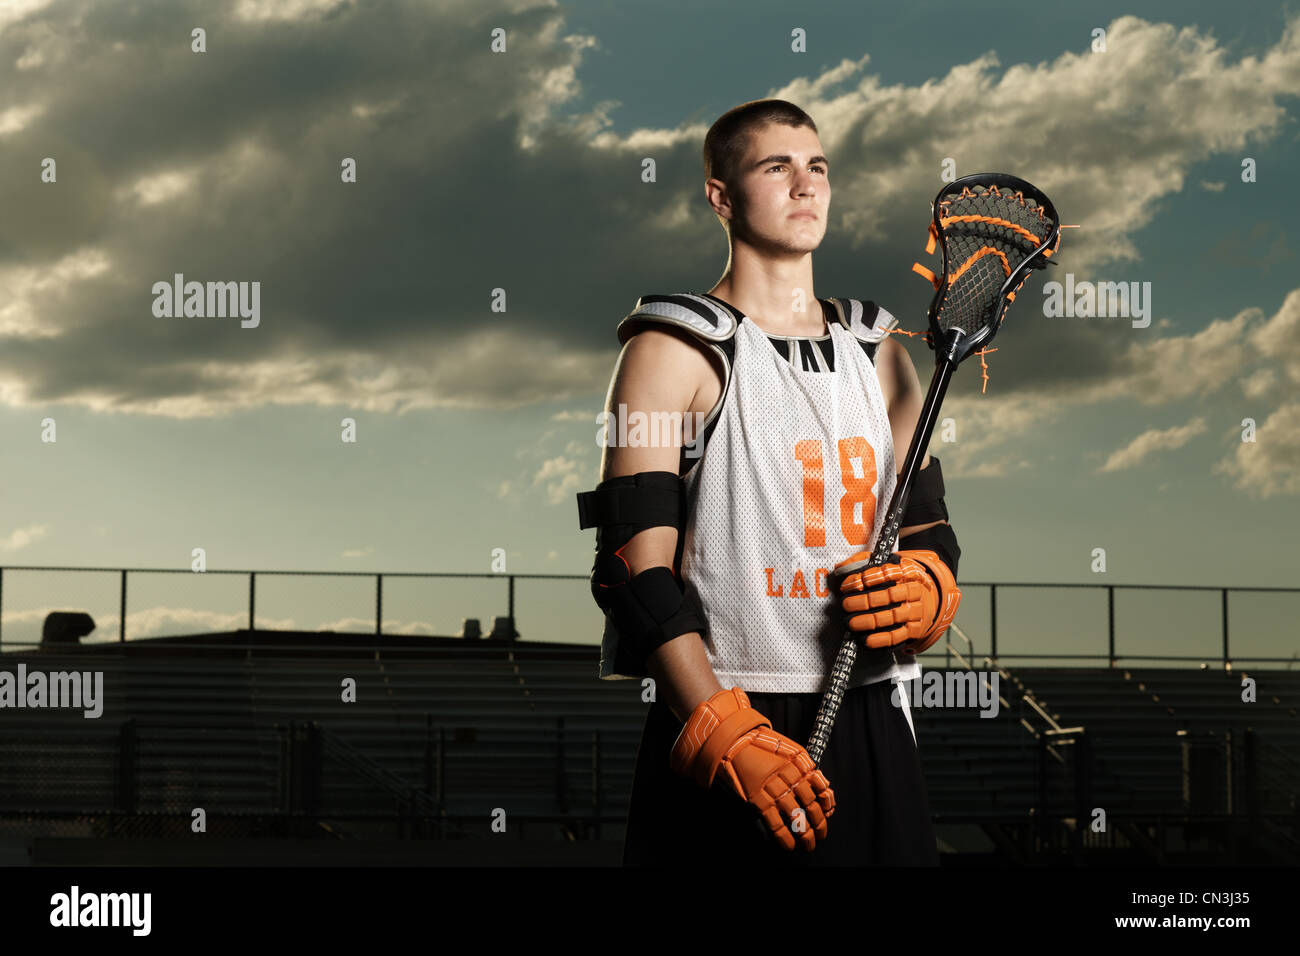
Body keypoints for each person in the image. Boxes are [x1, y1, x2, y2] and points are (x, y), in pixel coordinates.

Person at [576, 99, 962, 865]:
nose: (804, 185)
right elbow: (632, 572)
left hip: (873, 704)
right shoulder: (672, 346)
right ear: (722, 196)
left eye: (817, 167)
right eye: (775, 167)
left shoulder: (878, 348)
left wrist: (927, 591)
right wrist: (723, 728)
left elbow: (929, 533)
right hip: (730, 710)